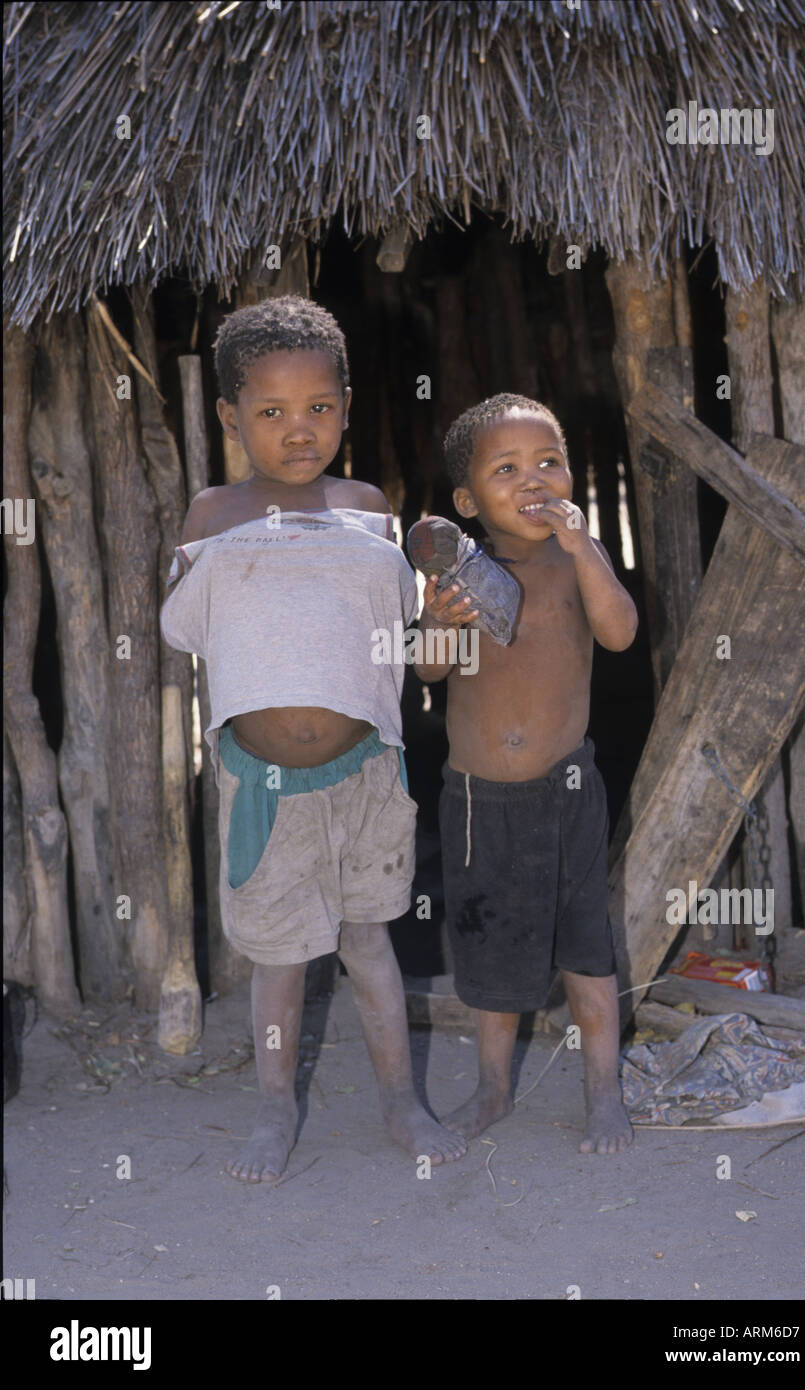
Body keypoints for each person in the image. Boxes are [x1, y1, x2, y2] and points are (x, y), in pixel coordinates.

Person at [160, 295, 466, 1181]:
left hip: (366, 776)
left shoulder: (369, 511)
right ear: (230, 415)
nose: (300, 430)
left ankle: (401, 1100)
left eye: (320, 408)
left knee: (370, 945)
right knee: (280, 959)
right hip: (262, 789)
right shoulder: (212, 517)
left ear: (345, 405)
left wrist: (442, 620)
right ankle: (272, 1108)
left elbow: (416, 656)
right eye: (271, 412)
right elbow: (192, 633)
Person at [411, 393, 638, 1154]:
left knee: (587, 949)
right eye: (507, 469)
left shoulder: (578, 563)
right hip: (478, 802)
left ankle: (603, 1093)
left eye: (549, 462)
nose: (534, 478)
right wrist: (439, 621)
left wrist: (585, 552)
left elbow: (621, 632)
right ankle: (494, 1088)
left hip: (567, 793)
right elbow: (427, 671)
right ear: (469, 501)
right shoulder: (464, 578)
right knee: (491, 953)